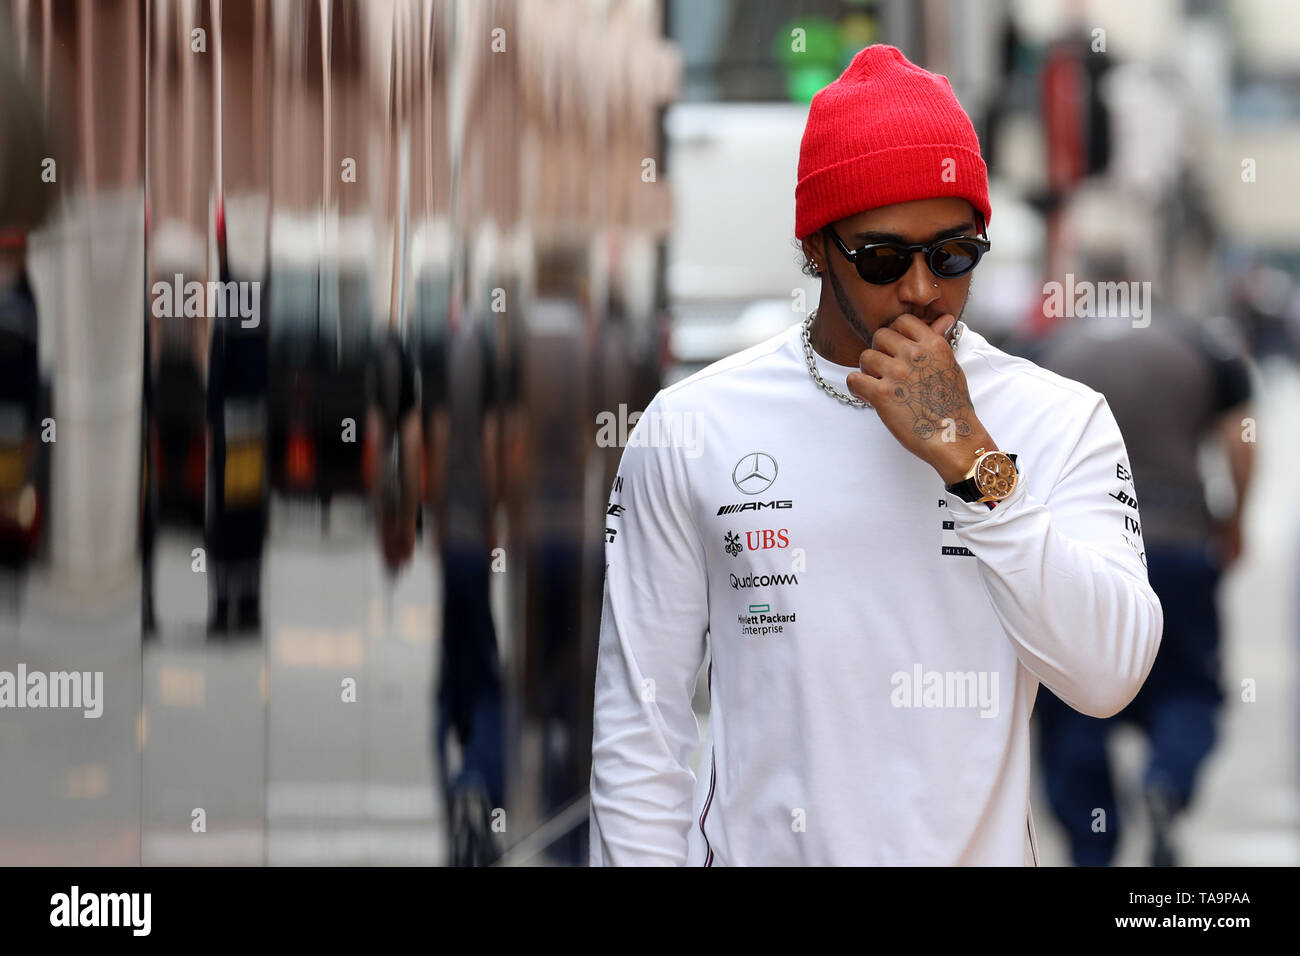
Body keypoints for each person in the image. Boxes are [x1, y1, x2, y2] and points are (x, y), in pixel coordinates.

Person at [588, 45, 1163, 866]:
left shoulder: (1059, 420)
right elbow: (640, 728)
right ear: (817, 249)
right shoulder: (695, 426)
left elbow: (1109, 674)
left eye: (954, 254)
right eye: (885, 258)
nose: (925, 289)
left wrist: (973, 461)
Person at [1034, 288, 1254, 866]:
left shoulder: (1051, 349)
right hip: (1178, 544)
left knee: (1073, 706)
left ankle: (1091, 847)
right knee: (1188, 689)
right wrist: (1234, 520)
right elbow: (1239, 437)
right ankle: (1165, 782)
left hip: (1079, 555)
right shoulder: (1196, 340)